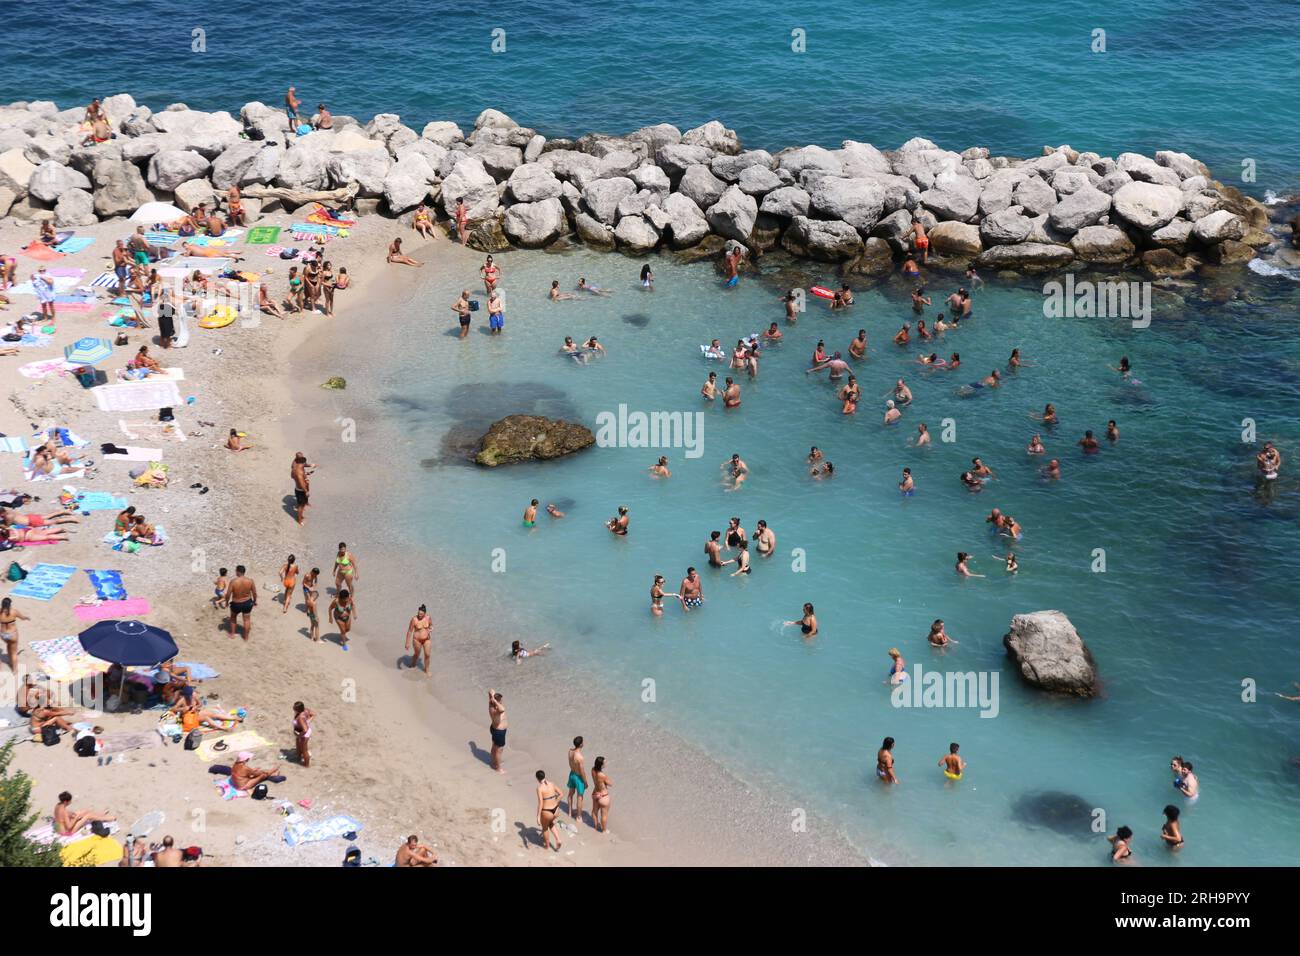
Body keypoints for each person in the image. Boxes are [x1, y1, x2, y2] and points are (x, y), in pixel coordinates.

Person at [224, 566, 257, 640]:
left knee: (233, 618)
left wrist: (226, 602)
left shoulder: (233, 581)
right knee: (247, 619)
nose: (235, 572)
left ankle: (232, 634)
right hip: (247, 603)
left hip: (236, 604)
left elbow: (228, 594)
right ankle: (246, 637)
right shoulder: (250, 580)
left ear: (238, 572)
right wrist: (254, 601)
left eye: (236, 571)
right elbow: (254, 593)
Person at [0, 597, 29, 673]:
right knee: (14, 652)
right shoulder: (14, 612)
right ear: (10, 604)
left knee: (8, 646)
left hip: (3, 634)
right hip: (12, 634)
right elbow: (22, 618)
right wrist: (27, 618)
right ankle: (15, 669)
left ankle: (10, 662)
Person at [536, 770, 563, 850]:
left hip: (546, 812)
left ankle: (547, 846)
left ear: (537, 779)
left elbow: (540, 803)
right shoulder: (551, 784)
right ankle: (558, 839)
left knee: (545, 828)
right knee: (550, 823)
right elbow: (561, 794)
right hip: (555, 810)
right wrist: (556, 802)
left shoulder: (539, 788)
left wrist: (538, 816)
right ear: (544, 776)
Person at [406, 605, 433, 674]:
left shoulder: (428, 618)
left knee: (427, 654)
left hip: (427, 639)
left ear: (424, 613)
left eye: (421, 614)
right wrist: (407, 642)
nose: (419, 615)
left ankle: (427, 670)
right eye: (418, 613)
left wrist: (431, 629)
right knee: (417, 654)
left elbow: (431, 625)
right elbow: (410, 631)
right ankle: (413, 664)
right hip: (417, 640)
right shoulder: (414, 619)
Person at [567, 736, 588, 821]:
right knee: (580, 797)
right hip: (579, 777)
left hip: (572, 774)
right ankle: (579, 816)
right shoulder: (580, 757)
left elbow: (570, 763)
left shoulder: (570, 751)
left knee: (570, 794)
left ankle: (570, 812)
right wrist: (585, 782)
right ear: (581, 744)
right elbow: (582, 772)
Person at [591, 757, 613, 833]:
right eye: (604, 763)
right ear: (601, 765)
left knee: (594, 811)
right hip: (603, 796)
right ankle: (604, 830)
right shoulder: (603, 775)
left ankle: (596, 826)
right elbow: (610, 784)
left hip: (595, 793)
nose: (606, 763)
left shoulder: (593, 770)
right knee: (604, 815)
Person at [291, 452, 313, 525]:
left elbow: (292, 476)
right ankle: (299, 519)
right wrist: (306, 491)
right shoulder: (299, 471)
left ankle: (306, 502)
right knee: (301, 506)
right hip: (301, 490)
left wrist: (306, 474)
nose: (304, 463)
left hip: (298, 489)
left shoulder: (295, 464)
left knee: (302, 502)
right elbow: (301, 482)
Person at [488, 690, 507, 773]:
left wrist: (492, 697)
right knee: (499, 750)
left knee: (494, 746)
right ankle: (498, 768)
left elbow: (491, 690)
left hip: (495, 729)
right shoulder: (496, 710)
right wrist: (495, 701)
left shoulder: (491, 704)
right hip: (499, 732)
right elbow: (502, 709)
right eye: (501, 700)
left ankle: (494, 761)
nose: (502, 701)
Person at [292, 701, 314, 768]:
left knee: (304, 750)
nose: (293, 707)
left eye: (294, 707)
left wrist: (299, 735)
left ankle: (306, 765)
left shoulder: (300, 717)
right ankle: (298, 757)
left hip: (303, 734)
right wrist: (308, 721)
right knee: (298, 743)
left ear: (298, 709)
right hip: (303, 731)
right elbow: (313, 714)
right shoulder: (306, 710)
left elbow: (305, 730)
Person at [302, 568, 321, 643]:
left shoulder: (315, 576)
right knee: (308, 600)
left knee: (310, 600)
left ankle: (311, 637)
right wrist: (309, 587)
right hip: (306, 588)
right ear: (312, 572)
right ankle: (307, 610)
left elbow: (316, 581)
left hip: (310, 588)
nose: (315, 576)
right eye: (315, 574)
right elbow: (303, 583)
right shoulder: (307, 575)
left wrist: (313, 587)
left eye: (316, 575)